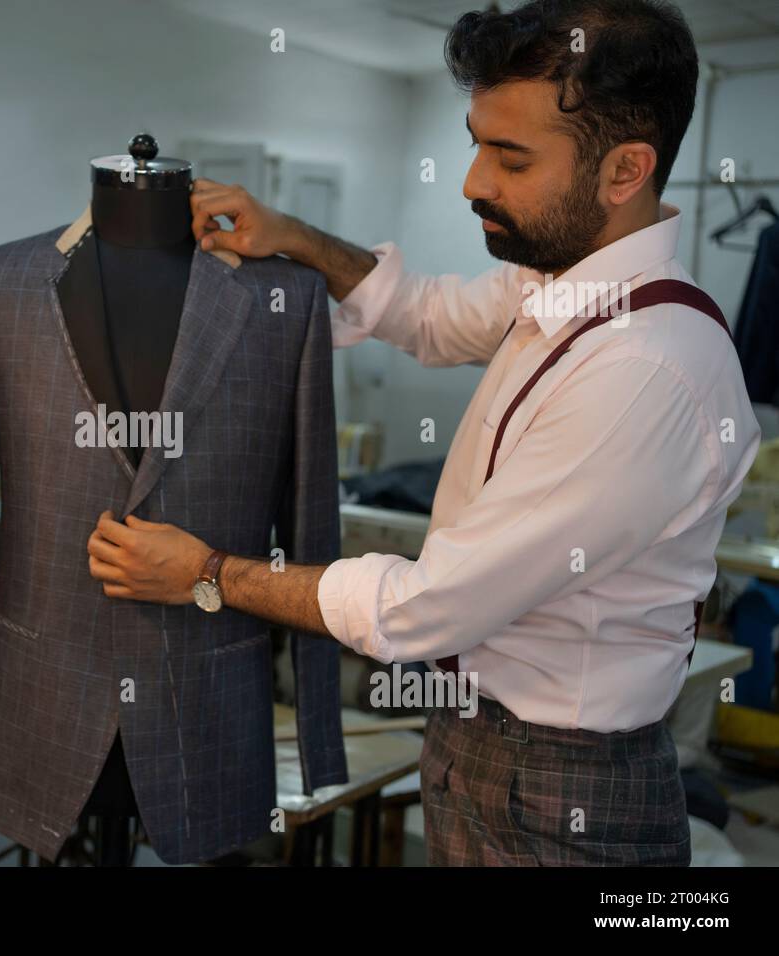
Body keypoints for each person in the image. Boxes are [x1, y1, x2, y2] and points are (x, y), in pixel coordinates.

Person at [86, 0, 761, 865]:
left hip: (560, 788)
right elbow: (431, 315)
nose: (474, 180)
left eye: (510, 157)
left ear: (625, 169)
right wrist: (293, 236)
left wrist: (207, 574)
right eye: (476, 141)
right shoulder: (566, 287)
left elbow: (423, 610)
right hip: (483, 748)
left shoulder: (644, 371)